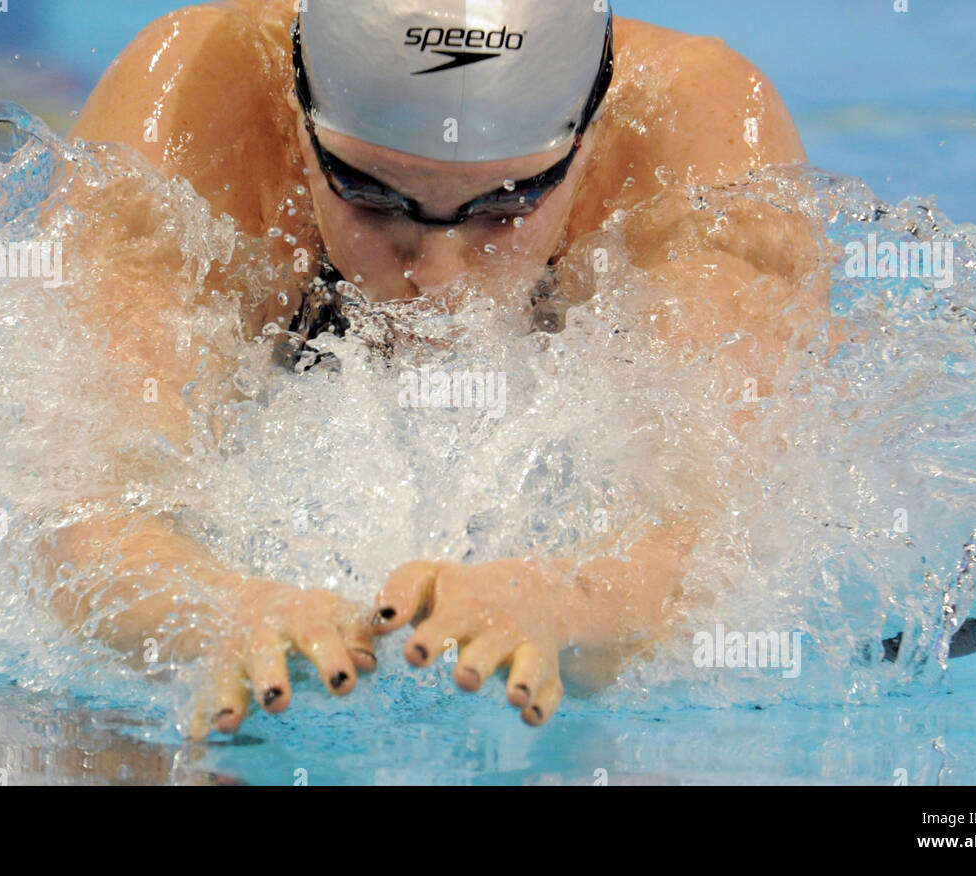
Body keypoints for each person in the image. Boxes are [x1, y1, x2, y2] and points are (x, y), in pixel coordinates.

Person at [53, 0, 827, 735]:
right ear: (295, 115)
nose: (441, 280)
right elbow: (77, 510)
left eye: (507, 206)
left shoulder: (705, 153)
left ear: (593, 134)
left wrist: (564, 607)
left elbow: (725, 536)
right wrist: (216, 609)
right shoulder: (189, 115)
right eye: (370, 196)